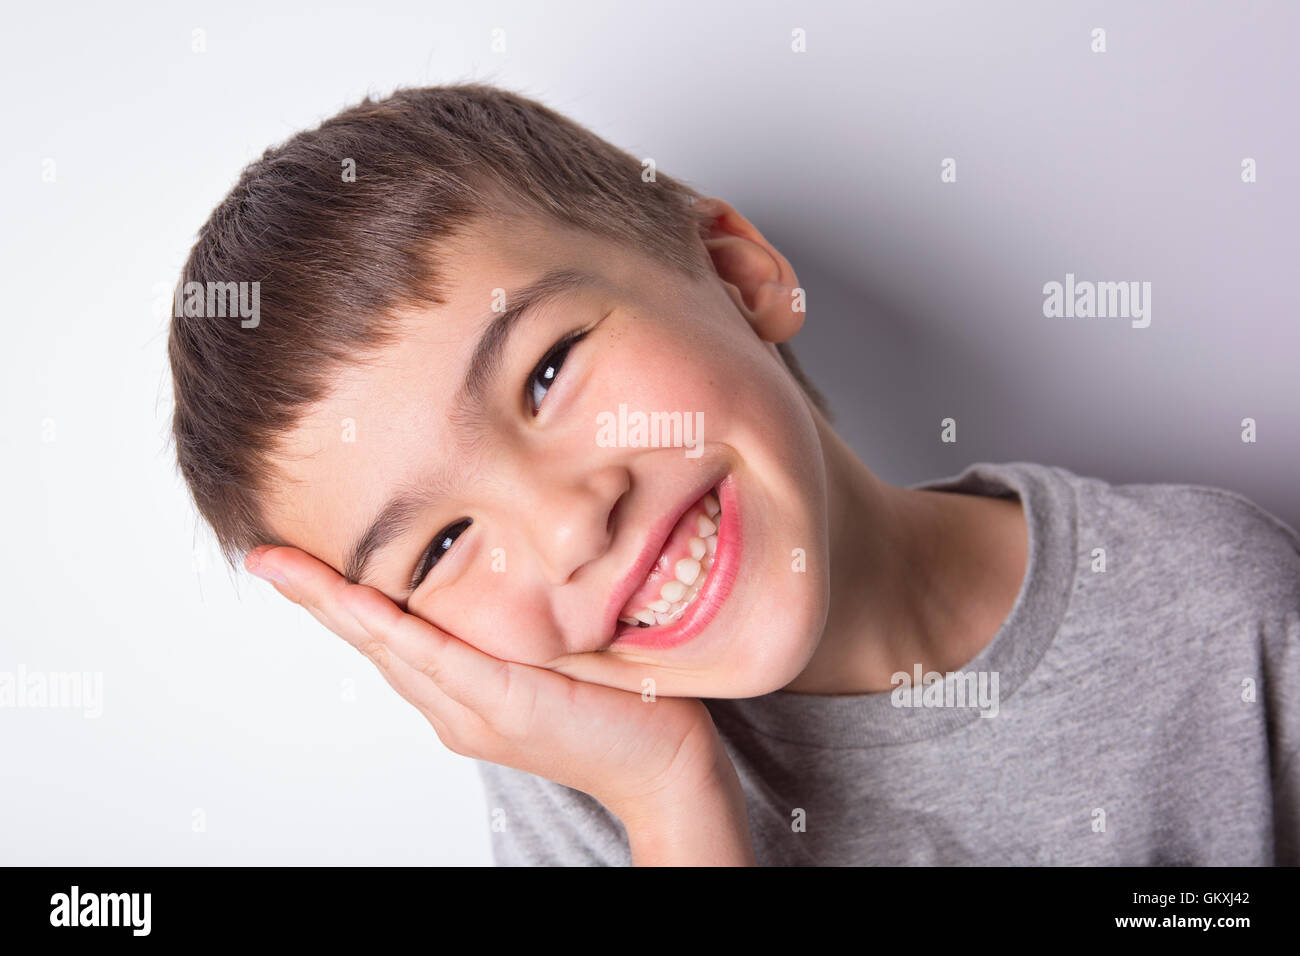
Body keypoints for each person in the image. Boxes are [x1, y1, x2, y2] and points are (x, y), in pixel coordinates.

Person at [169, 83, 1300, 865]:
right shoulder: (583, 781)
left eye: (549, 368)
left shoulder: (1211, 605)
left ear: (735, 269)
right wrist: (670, 798)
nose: (569, 527)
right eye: (441, 546)